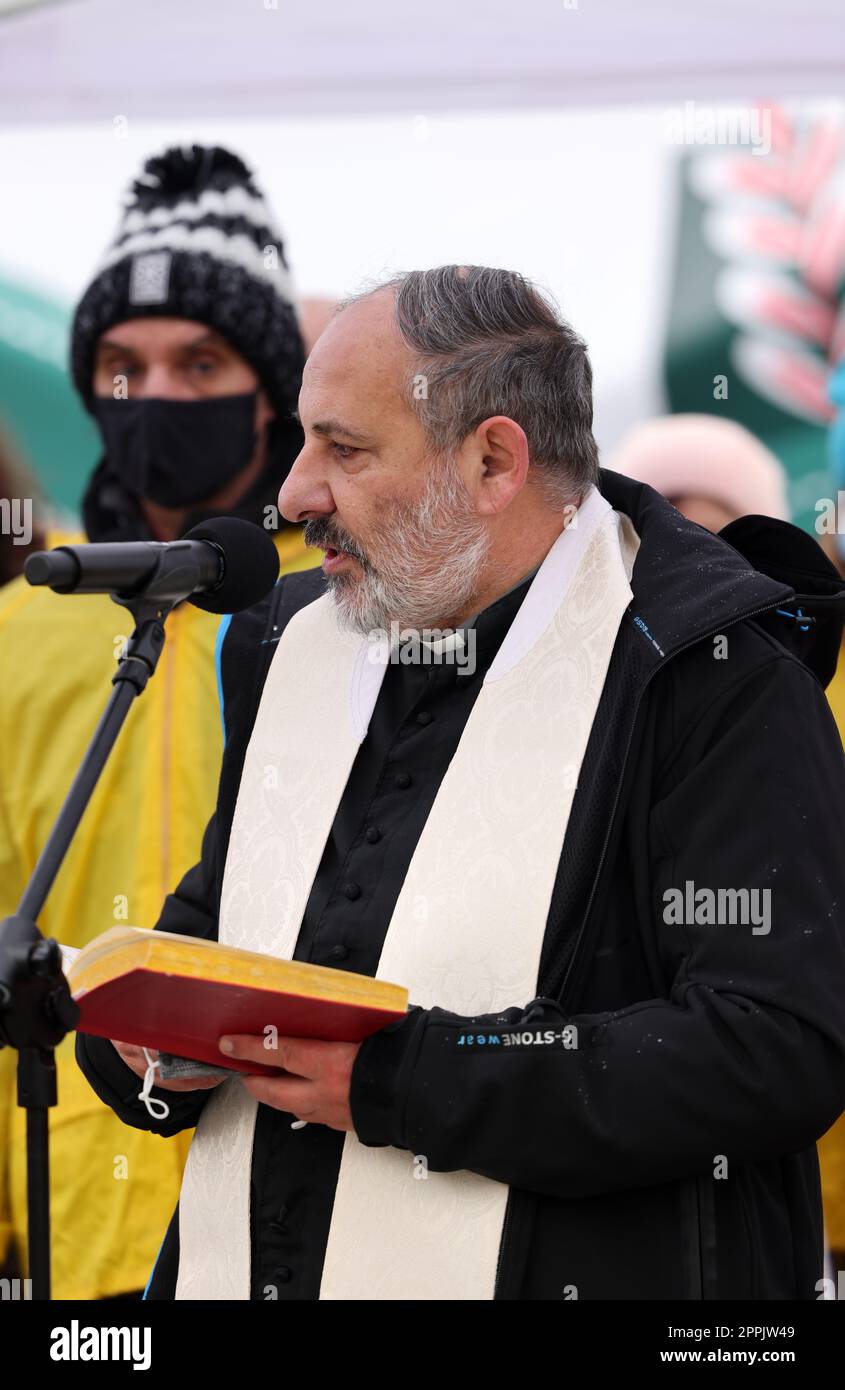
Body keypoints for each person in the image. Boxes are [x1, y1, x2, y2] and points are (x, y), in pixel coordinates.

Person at [78, 265, 845, 1300]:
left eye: (341, 449)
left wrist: (405, 1079)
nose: (295, 492)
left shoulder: (710, 669)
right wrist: (153, 1047)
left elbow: (771, 1046)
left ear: (492, 460)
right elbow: (217, 929)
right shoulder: (286, 642)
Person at [0, 143, 321, 1299]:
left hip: (307, 1208)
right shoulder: (18, 632)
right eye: (125, 366)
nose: (161, 396)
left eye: (202, 360)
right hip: (78, 1219)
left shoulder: (353, 608)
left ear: (273, 389)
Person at [610, 410, 845, 1279]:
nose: (694, 541)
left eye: (720, 517)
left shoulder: (784, 686)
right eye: (669, 511)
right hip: (706, 1192)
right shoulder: (581, 697)